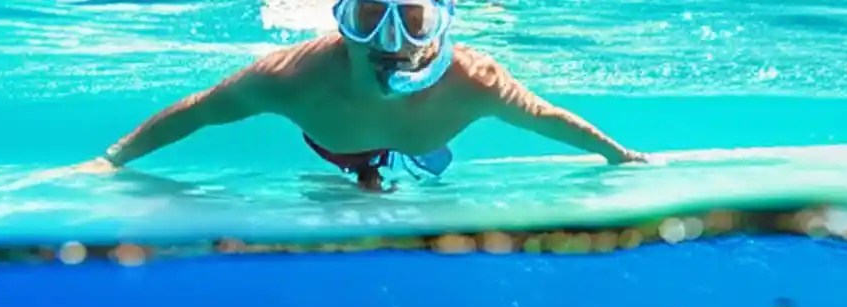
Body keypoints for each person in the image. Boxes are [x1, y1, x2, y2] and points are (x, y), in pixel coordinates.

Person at [65, 0, 647, 191]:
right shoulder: (289, 77)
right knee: (364, 176)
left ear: (441, 26)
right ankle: (375, 171)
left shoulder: (477, 79)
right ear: (342, 23)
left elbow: (547, 120)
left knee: (414, 157)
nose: (391, 42)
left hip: (418, 131)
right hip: (336, 147)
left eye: (413, 20)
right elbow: (200, 111)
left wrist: (618, 155)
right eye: (370, 17)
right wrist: (111, 157)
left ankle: (407, 158)